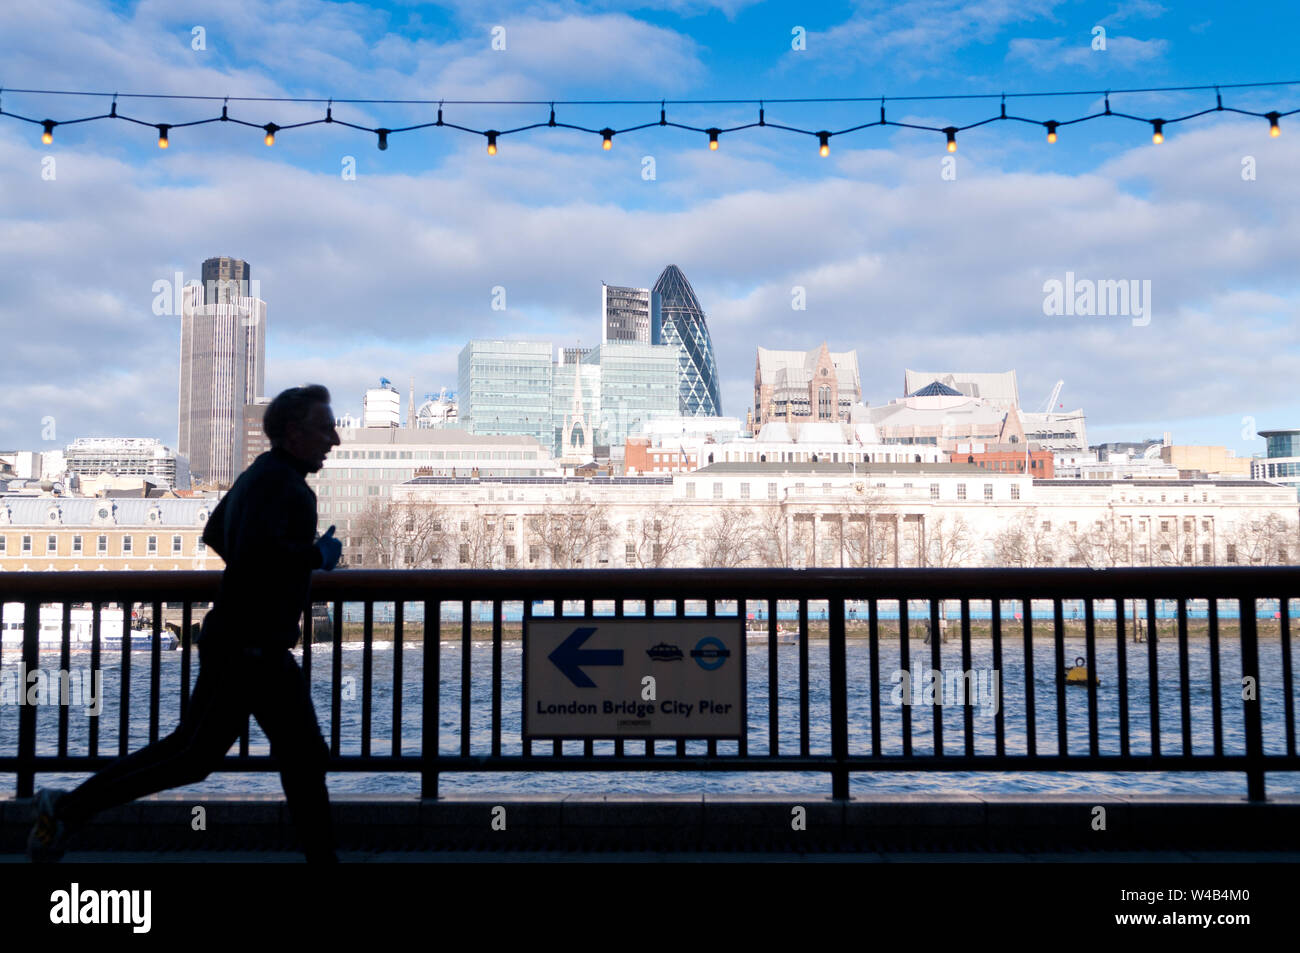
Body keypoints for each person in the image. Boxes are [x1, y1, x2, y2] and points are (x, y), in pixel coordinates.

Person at [28, 384, 344, 863]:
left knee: (228, 756)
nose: (334, 440)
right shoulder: (287, 486)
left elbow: (219, 535)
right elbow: (259, 557)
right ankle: (67, 808)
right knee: (254, 758)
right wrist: (315, 555)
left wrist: (274, 562)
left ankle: (68, 808)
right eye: (326, 428)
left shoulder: (257, 475)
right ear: (295, 433)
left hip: (244, 643)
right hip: (251, 648)